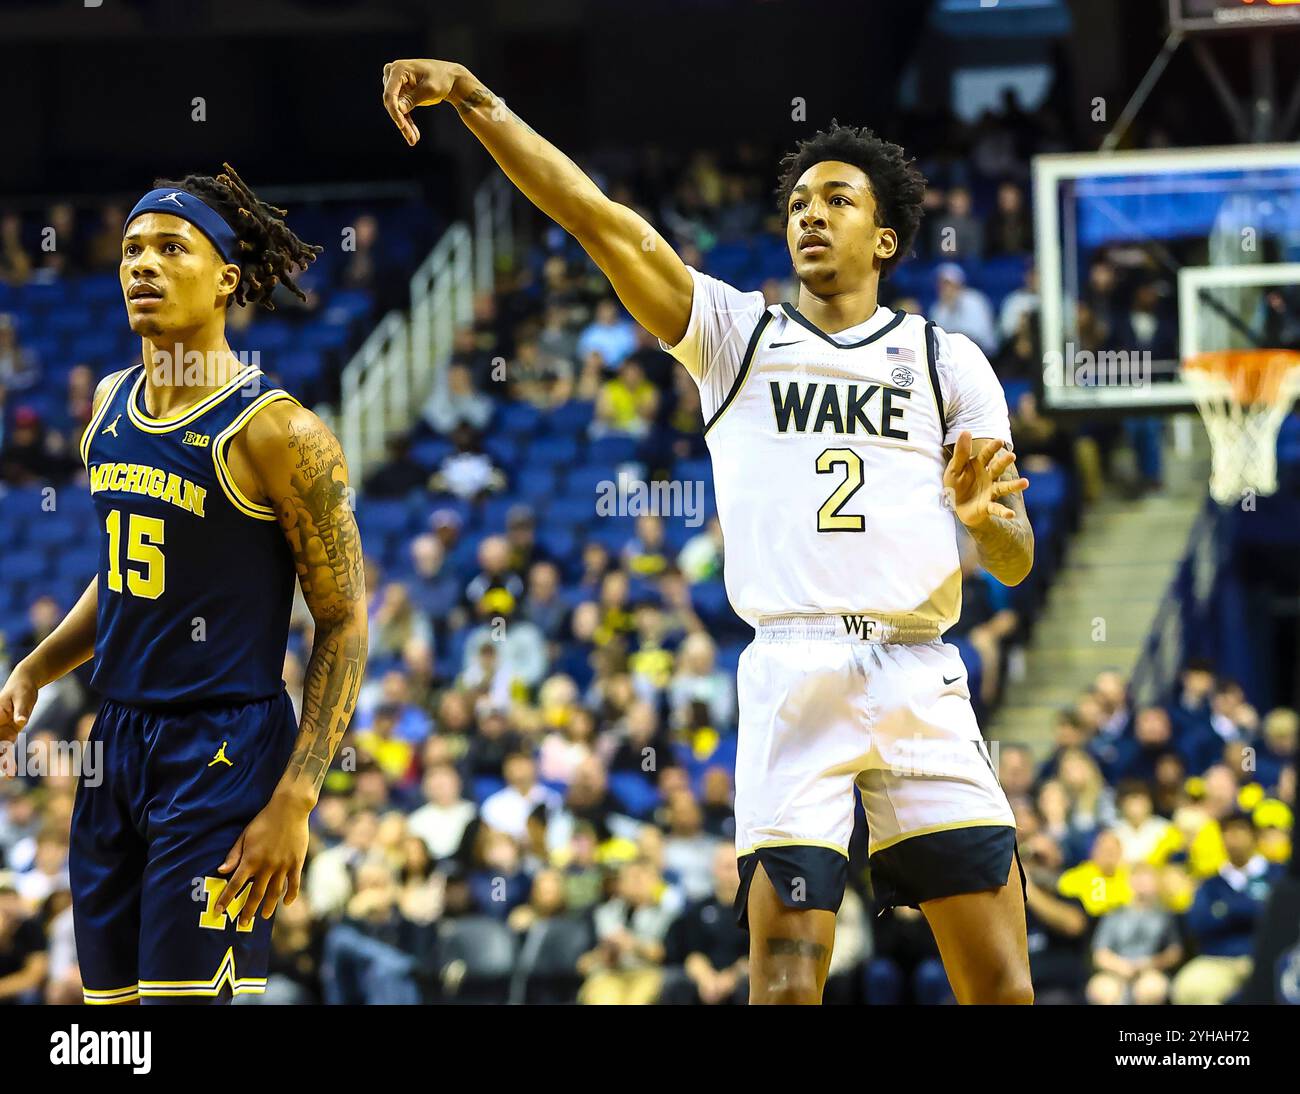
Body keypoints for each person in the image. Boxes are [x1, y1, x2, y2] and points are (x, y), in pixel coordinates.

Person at [382, 60, 1034, 1004]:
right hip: (791, 672)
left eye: (838, 200)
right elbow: (596, 218)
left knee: (1002, 990)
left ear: (886, 236)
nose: (809, 213)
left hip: (918, 672)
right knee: (780, 986)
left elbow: (1014, 561)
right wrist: (483, 105)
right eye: (799, 201)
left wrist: (988, 526)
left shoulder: (947, 359)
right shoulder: (737, 336)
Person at [0, 166, 369, 1004]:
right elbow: (129, 583)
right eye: (132, 248)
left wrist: (297, 799)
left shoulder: (279, 432)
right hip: (116, 742)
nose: (142, 264)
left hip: (223, 747)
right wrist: (33, 670)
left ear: (228, 279)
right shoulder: (107, 404)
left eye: (173, 247)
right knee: (109, 1030)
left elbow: (345, 622)